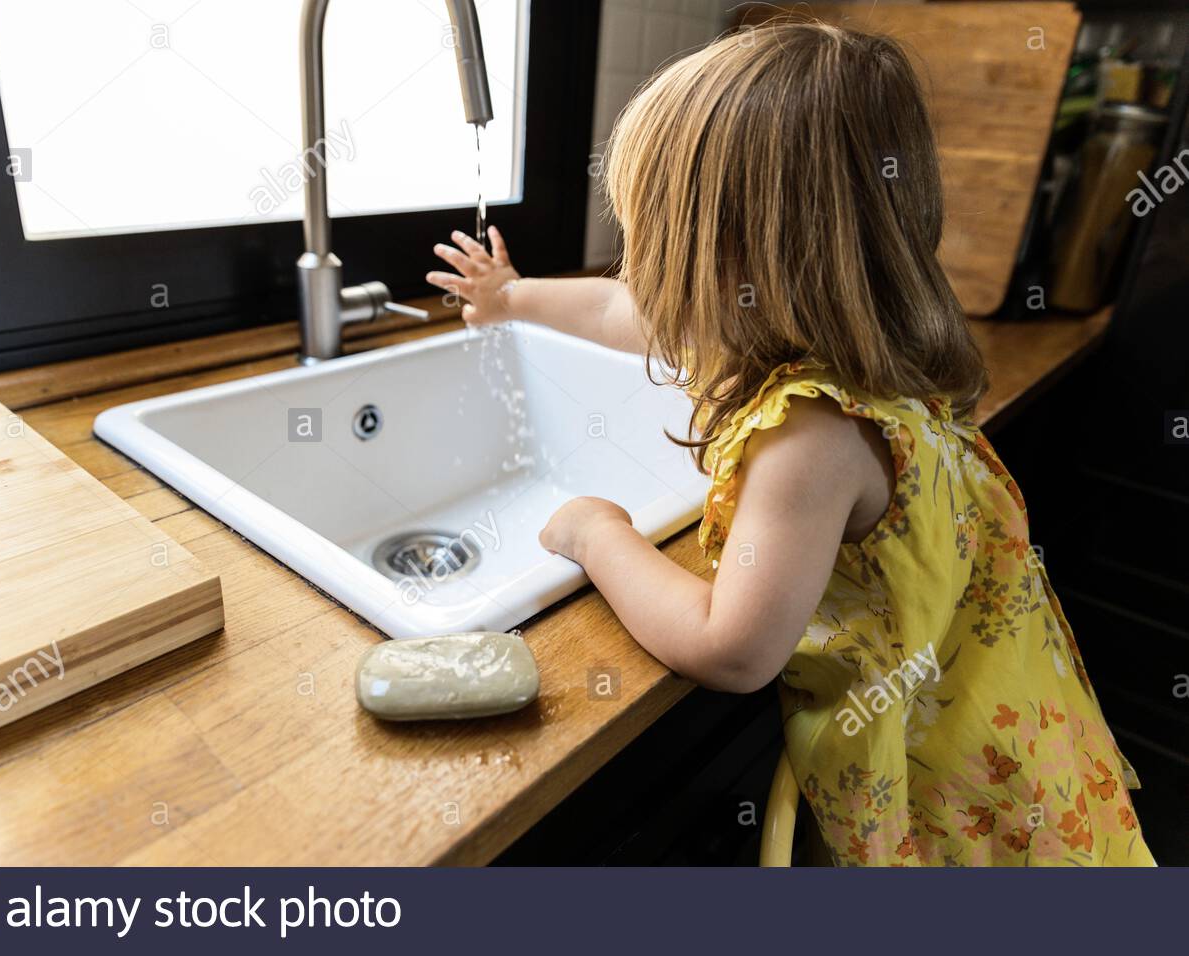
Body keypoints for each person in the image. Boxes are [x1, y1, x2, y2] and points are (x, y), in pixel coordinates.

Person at [426, 22, 1154, 866]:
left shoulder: (813, 435)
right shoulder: (867, 352)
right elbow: (625, 313)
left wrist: (599, 534)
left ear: (734, 259)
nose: (637, 273)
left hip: (956, 817)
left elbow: (731, 650)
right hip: (1028, 748)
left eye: (651, 241)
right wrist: (510, 298)